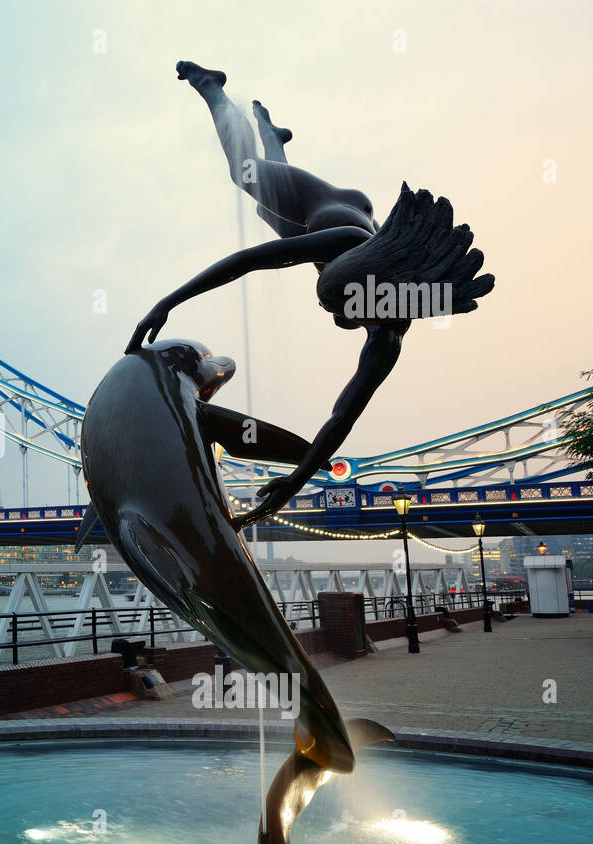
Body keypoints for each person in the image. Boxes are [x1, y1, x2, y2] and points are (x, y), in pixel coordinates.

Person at [128, 61, 493, 525]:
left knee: (274, 218)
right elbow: (249, 261)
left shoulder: (389, 334)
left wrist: (294, 481)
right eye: (328, 299)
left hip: (334, 226)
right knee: (246, 175)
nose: (329, 311)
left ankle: (273, 136)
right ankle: (210, 86)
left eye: (334, 305)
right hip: (329, 205)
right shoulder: (348, 242)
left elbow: (343, 416)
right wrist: (170, 301)